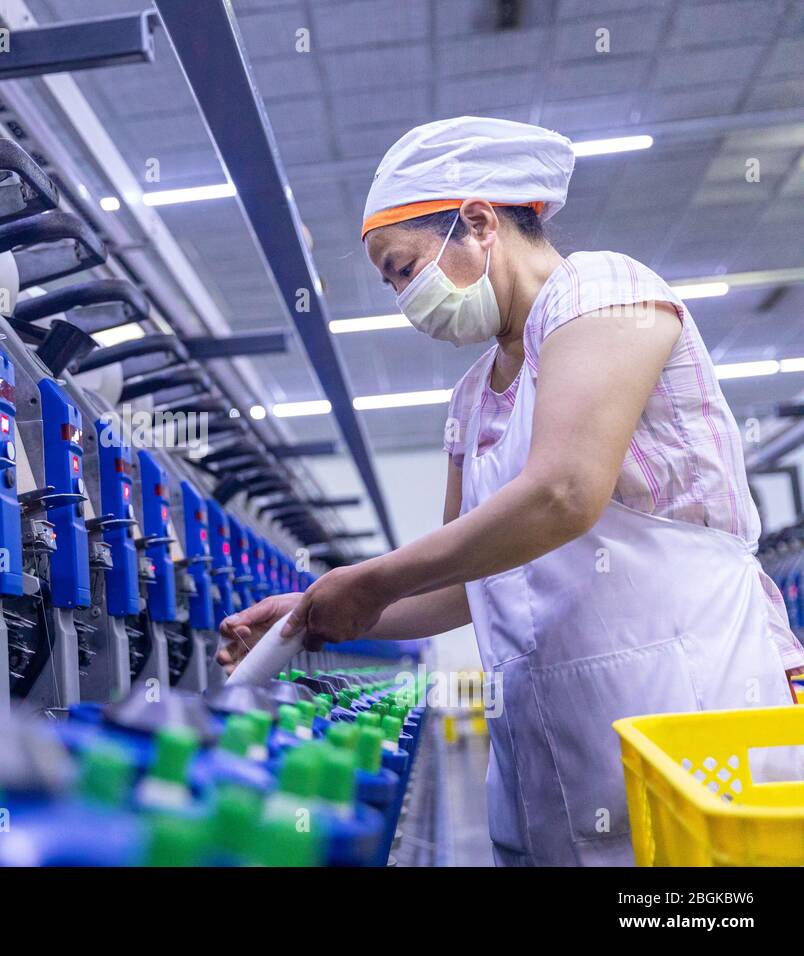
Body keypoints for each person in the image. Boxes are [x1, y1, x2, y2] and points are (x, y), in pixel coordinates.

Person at [218, 116, 804, 866]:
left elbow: (563, 492)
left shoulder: (603, 290)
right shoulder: (470, 402)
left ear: (479, 221)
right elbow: (464, 583)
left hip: (693, 709)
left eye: (404, 267)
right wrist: (306, 620)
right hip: (549, 755)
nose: (404, 297)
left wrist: (366, 580)